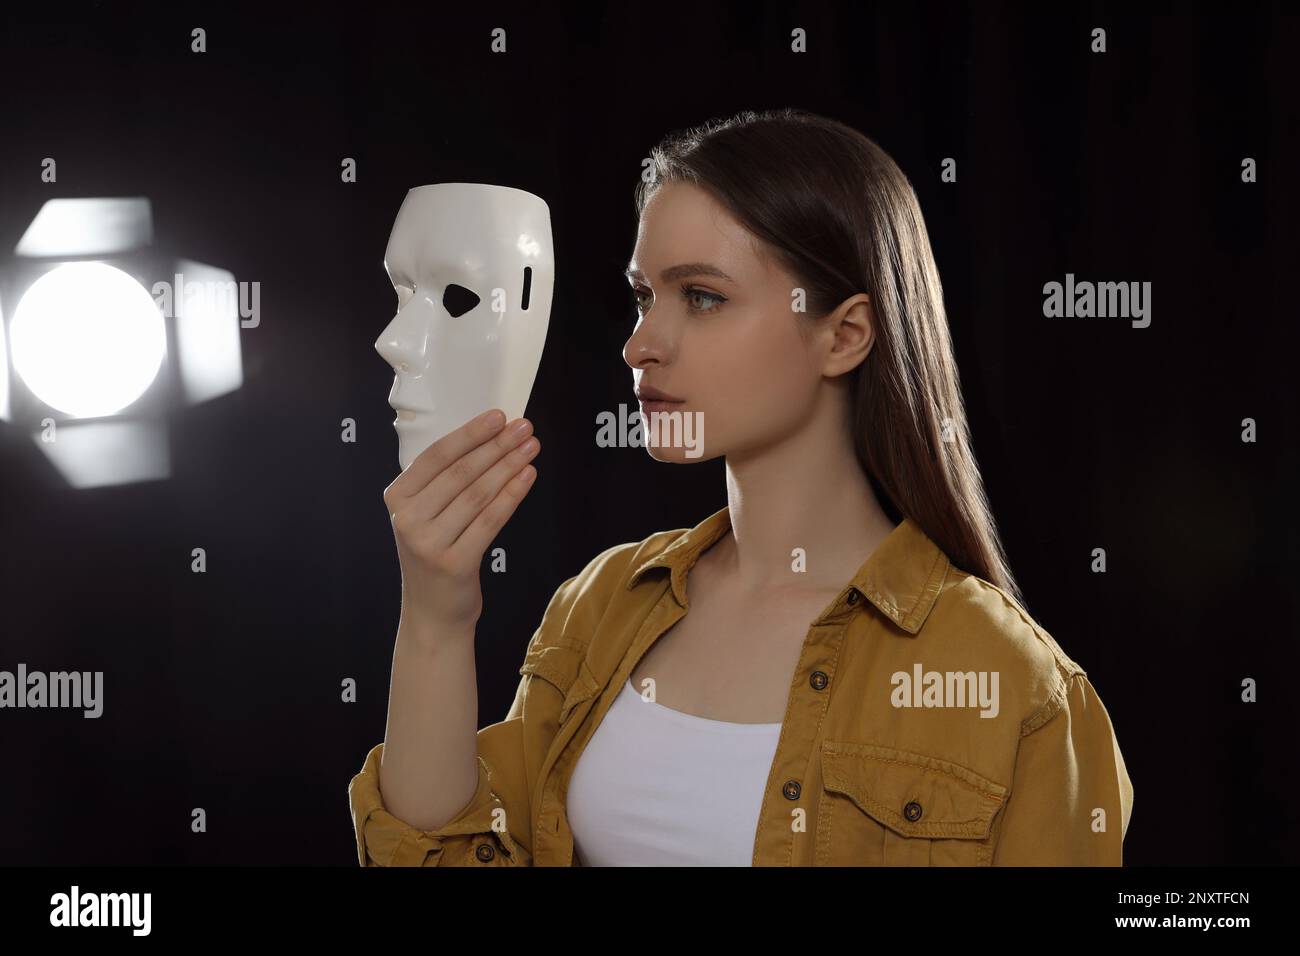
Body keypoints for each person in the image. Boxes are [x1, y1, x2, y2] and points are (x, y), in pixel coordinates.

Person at [348, 107, 1134, 866]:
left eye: (702, 297)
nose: (640, 344)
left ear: (844, 334)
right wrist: (437, 617)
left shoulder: (1017, 689)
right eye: (644, 296)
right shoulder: (599, 609)